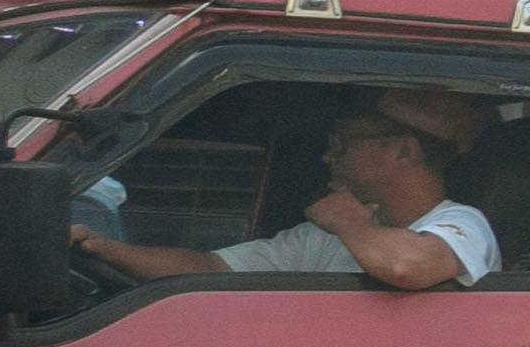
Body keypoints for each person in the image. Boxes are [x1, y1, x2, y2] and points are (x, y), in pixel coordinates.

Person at [80, 101, 495, 295]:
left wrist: (349, 222)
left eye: (341, 143)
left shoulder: (462, 224)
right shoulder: (324, 239)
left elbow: (407, 266)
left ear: (403, 151)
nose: (328, 156)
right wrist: (100, 247)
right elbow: (210, 269)